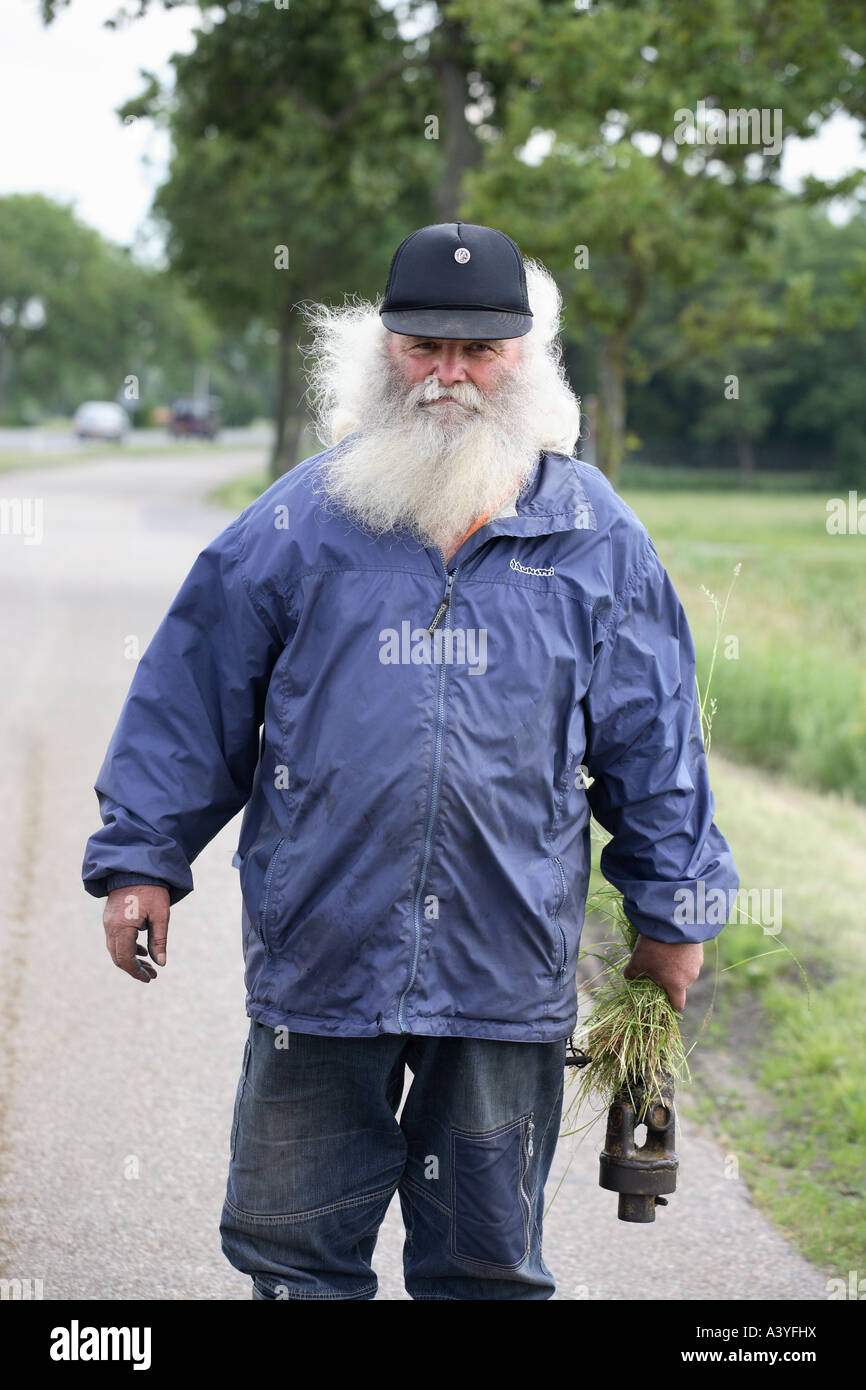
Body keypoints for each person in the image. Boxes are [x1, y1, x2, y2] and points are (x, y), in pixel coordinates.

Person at [82, 221, 739, 1301]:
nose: (448, 376)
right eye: (422, 346)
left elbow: (655, 742)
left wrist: (670, 914)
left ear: (523, 360)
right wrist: (140, 858)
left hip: (502, 963)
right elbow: (189, 696)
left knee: (483, 1267)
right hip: (321, 956)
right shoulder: (300, 520)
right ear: (378, 348)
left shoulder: (592, 536)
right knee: (294, 1257)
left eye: (476, 351)